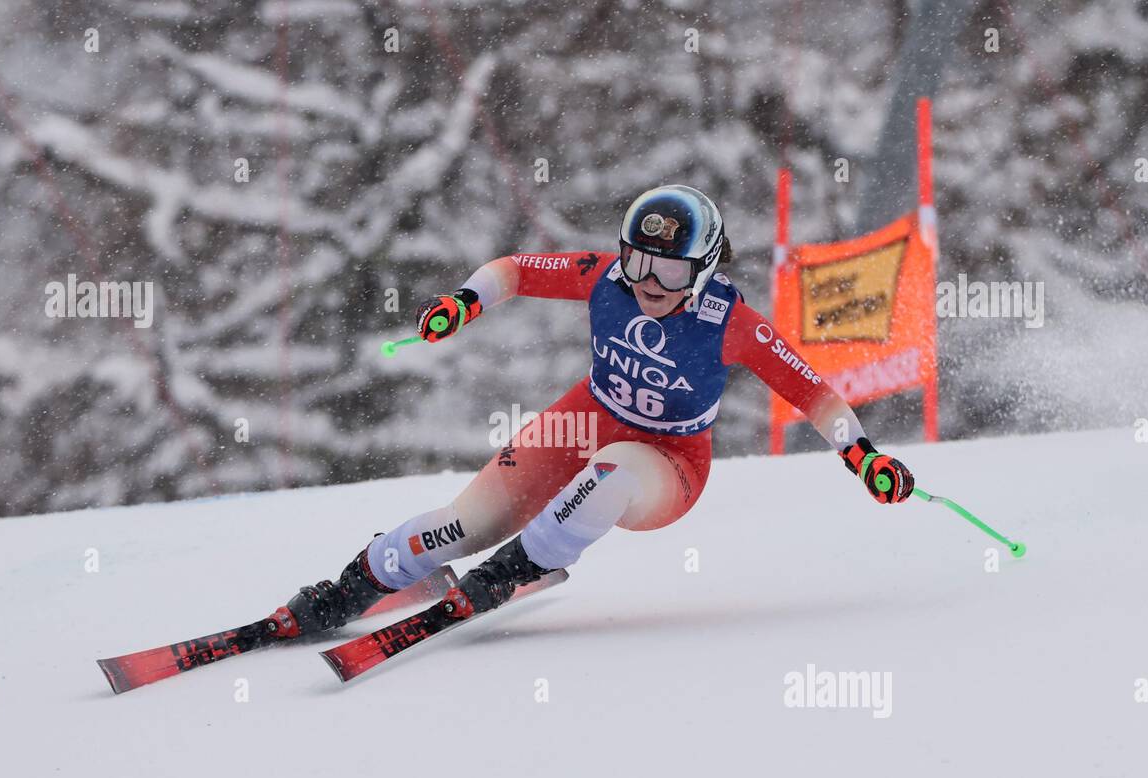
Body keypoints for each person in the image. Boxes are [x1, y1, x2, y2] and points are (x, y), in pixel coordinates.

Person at [275, 185, 914, 632]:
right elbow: (516, 269)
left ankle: (519, 567)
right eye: (638, 262)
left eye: (668, 272)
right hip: (586, 416)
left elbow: (813, 392)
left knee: (611, 470)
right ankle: (354, 585)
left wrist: (863, 456)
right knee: (465, 521)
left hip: (667, 462)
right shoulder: (605, 276)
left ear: (704, 270)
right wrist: (464, 301)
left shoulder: (732, 322)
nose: (647, 284)